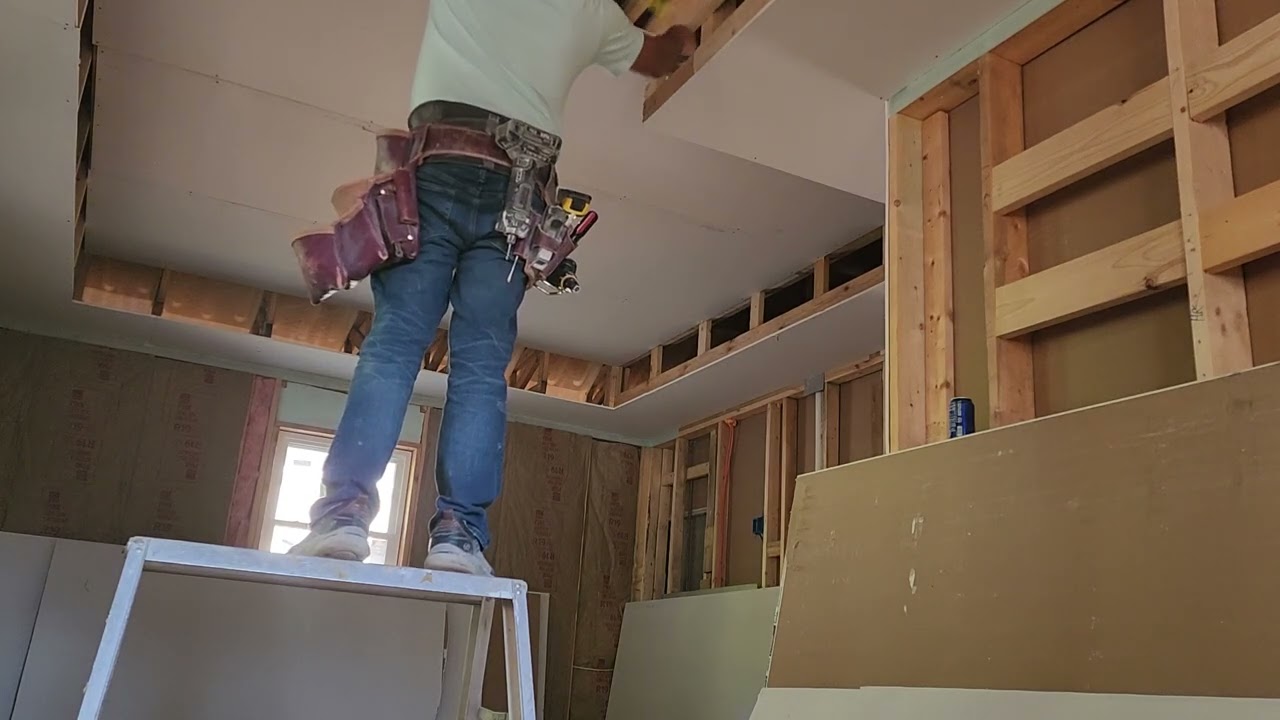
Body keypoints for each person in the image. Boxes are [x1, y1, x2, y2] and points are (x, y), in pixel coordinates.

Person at [288, 0, 695, 575]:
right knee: (480, 367)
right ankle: (458, 536)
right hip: (519, 196)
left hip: (437, 168)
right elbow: (660, 58)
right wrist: (683, 37)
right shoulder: (592, 10)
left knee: (395, 346)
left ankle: (342, 519)